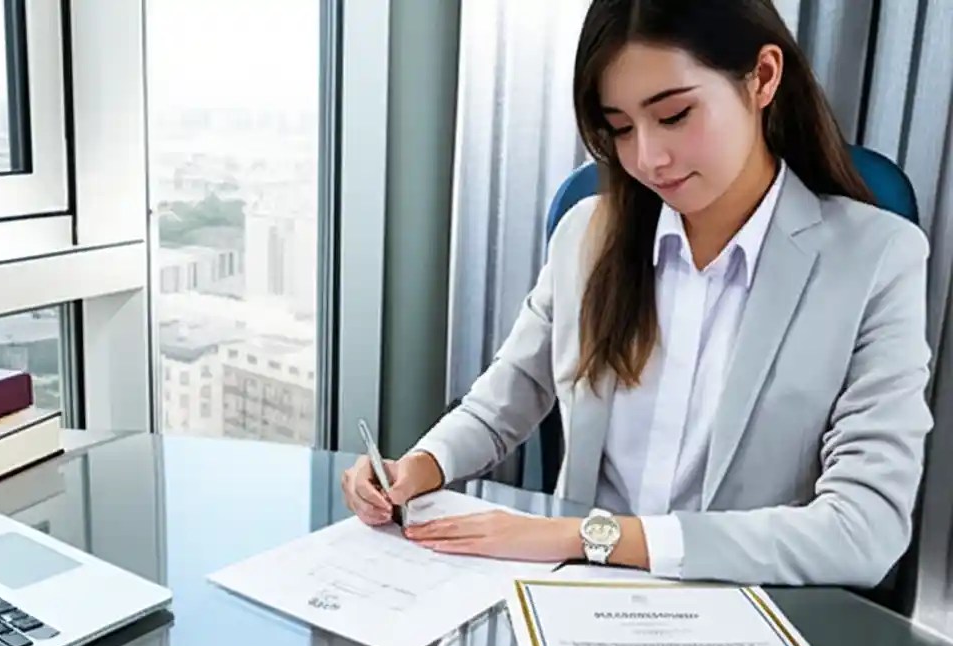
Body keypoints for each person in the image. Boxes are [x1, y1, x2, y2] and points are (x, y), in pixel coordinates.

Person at [341, 0, 933, 588]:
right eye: (620, 128)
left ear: (763, 78)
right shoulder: (587, 235)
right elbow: (508, 397)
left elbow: (865, 529)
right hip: (576, 605)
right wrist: (419, 466)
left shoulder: (877, 258)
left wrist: (587, 538)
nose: (649, 158)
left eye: (674, 115)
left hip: (750, 617)